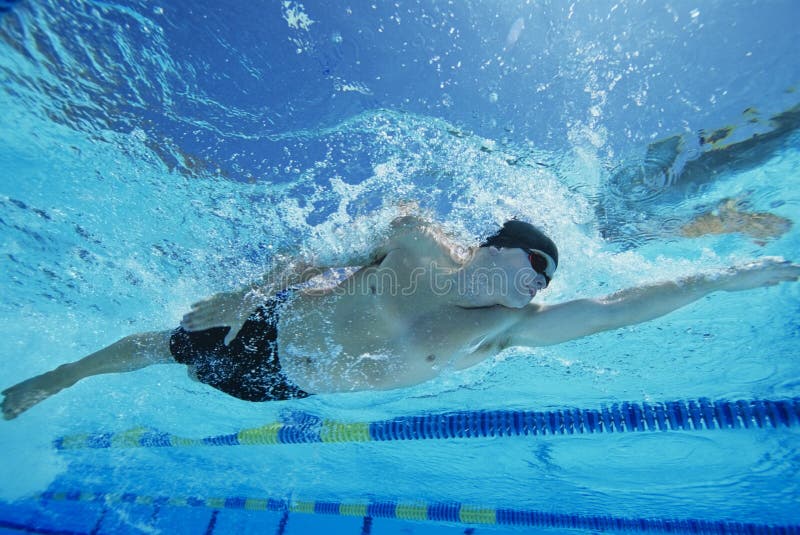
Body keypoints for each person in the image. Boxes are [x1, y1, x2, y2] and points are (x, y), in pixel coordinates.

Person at [2, 217, 798, 420]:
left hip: (287, 392)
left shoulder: (502, 328)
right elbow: (321, 251)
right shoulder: (416, 244)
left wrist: (728, 279)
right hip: (265, 333)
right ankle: (56, 376)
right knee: (160, 346)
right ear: (494, 251)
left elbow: (623, 308)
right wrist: (254, 288)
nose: (535, 290)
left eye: (543, 284)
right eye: (532, 269)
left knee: (172, 357)